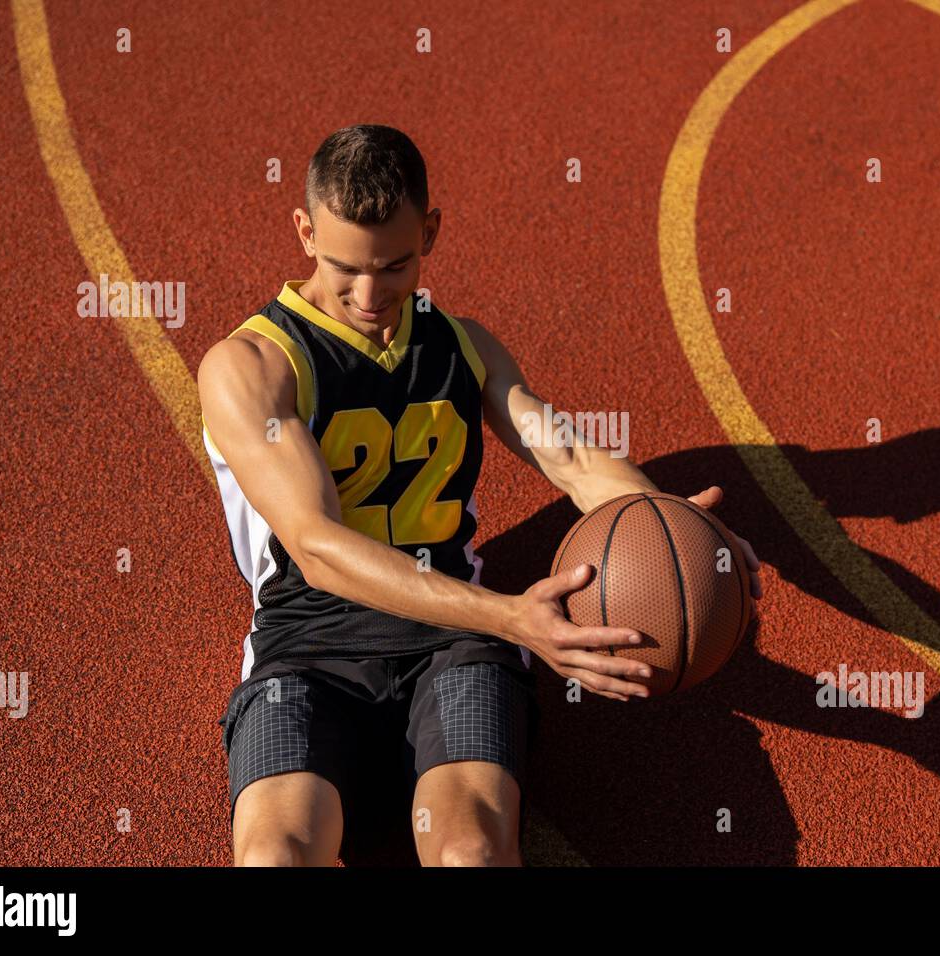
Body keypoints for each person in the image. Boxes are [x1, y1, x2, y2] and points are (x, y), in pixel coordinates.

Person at [197, 124, 761, 867]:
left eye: (395, 265)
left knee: (469, 855)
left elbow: (571, 460)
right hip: (307, 644)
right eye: (345, 268)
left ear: (431, 231)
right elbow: (315, 546)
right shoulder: (251, 366)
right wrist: (513, 618)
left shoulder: (462, 345)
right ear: (304, 231)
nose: (370, 294)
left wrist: (680, 526)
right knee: (277, 859)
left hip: (451, 649)